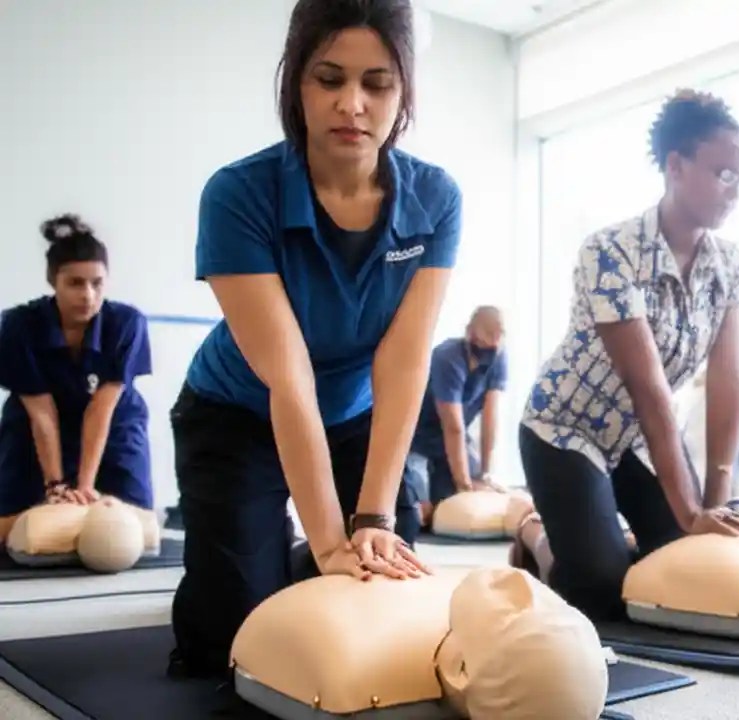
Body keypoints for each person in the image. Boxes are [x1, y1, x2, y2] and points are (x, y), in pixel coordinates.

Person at [168, 0, 458, 679]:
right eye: (329, 79)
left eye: (376, 83)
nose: (351, 104)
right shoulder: (237, 193)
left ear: (403, 92)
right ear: (297, 83)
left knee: (384, 586)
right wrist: (330, 539)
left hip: (354, 416)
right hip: (236, 413)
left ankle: (290, 561)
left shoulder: (436, 198)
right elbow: (288, 375)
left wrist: (374, 517)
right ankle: (264, 561)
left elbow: (405, 360)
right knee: (234, 641)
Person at [514, 89, 739, 622]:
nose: (735, 191)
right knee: (603, 589)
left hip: (634, 438)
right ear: (676, 166)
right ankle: (536, 534)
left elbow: (728, 381)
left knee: (687, 562)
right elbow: (650, 389)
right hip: (564, 429)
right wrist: (689, 509)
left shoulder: (731, 266)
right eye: (723, 174)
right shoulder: (609, 252)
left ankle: (596, 530)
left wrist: (715, 502)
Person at [0, 215, 153, 543]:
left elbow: (102, 409)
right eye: (75, 283)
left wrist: (84, 487)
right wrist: (56, 487)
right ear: (53, 281)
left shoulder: (127, 323)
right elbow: (41, 414)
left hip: (113, 429)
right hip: (32, 429)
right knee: (11, 529)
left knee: (137, 532)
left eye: (97, 283)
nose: (87, 295)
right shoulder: (18, 325)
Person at [408, 305, 508, 528]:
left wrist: (485, 472)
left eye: (497, 338)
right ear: (470, 333)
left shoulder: (499, 356)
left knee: (473, 493)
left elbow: (490, 418)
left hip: (455, 443)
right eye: (486, 338)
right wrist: (463, 485)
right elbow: (452, 425)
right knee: (419, 513)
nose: (492, 344)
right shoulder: (447, 357)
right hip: (416, 441)